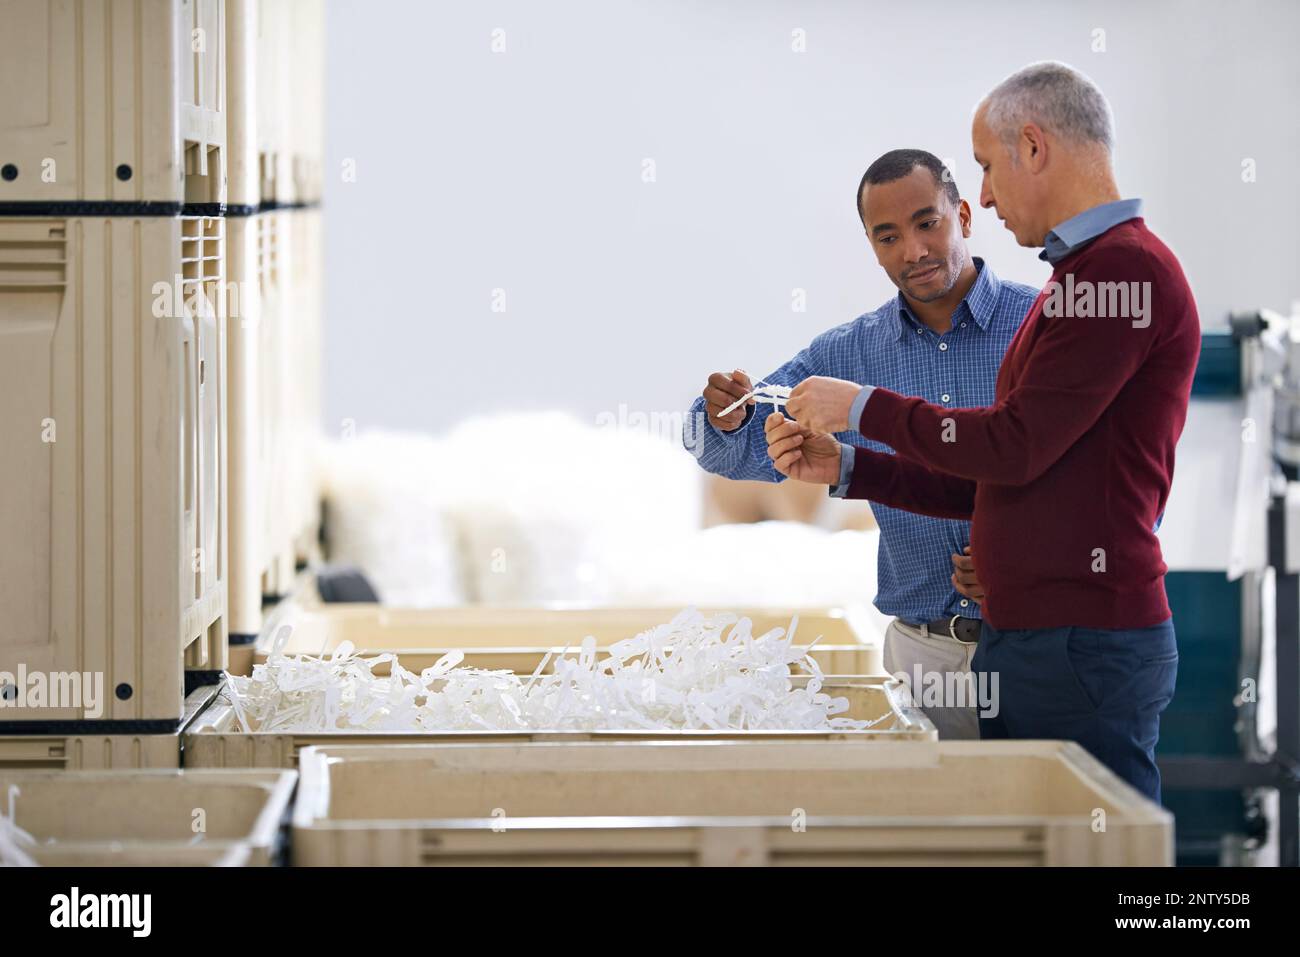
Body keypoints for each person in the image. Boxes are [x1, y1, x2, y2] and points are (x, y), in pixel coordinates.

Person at [770, 62, 1198, 802]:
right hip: (1045, 639)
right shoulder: (1081, 277)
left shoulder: (1119, 274)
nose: (989, 195)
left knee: (1099, 855)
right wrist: (850, 467)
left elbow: (1013, 442)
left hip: (1078, 642)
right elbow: (1001, 474)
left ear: (1033, 146)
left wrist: (865, 407)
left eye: (987, 169)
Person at [683, 148, 1039, 738]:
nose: (913, 251)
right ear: (872, 247)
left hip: (1040, 646)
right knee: (929, 829)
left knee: (1042, 821)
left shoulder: (1042, 326)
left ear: (966, 217)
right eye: (888, 236)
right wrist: (720, 416)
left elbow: (1099, 481)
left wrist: (1025, 557)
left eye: (929, 223)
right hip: (924, 657)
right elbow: (741, 447)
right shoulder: (851, 352)